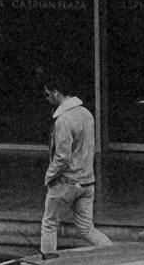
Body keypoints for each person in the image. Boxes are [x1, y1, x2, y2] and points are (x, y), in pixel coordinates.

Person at [39, 77, 110, 255]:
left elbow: (62, 156)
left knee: (49, 225)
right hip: (87, 182)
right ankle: (114, 254)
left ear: (56, 93)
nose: (47, 98)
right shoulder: (86, 114)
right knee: (87, 228)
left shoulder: (63, 120)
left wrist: (49, 176)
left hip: (66, 182)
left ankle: (48, 263)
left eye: (48, 94)